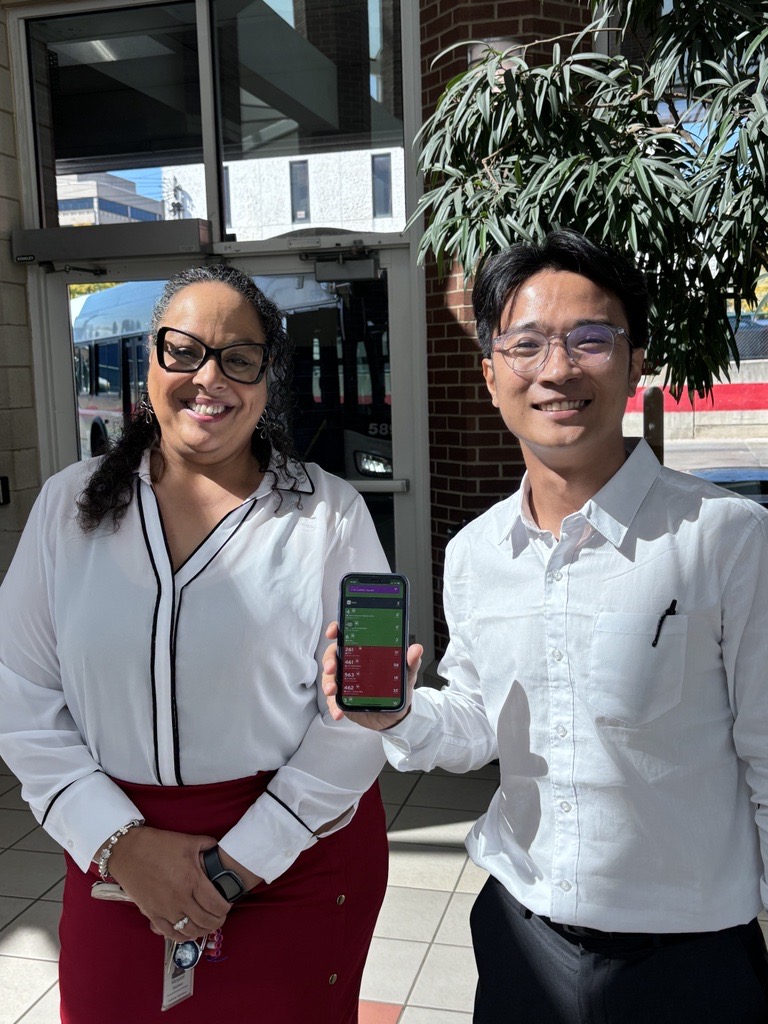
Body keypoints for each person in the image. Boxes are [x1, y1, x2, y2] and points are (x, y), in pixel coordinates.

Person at [324, 230, 768, 1023]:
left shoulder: (725, 539)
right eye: (526, 344)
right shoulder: (475, 553)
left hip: (690, 957)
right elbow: (478, 719)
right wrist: (395, 713)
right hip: (521, 938)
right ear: (492, 373)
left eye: (591, 339)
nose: (558, 369)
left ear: (635, 363)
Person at [0, 264, 390, 1023]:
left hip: (293, 861)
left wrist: (237, 865)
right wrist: (120, 843)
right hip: (119, 860)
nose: (208, 377)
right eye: (183, 350)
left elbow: (368, 708)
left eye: (238, 357)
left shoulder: (332, 515)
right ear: (149, 364)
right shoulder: (66, 509)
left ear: (267, 380)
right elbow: (19, 689)